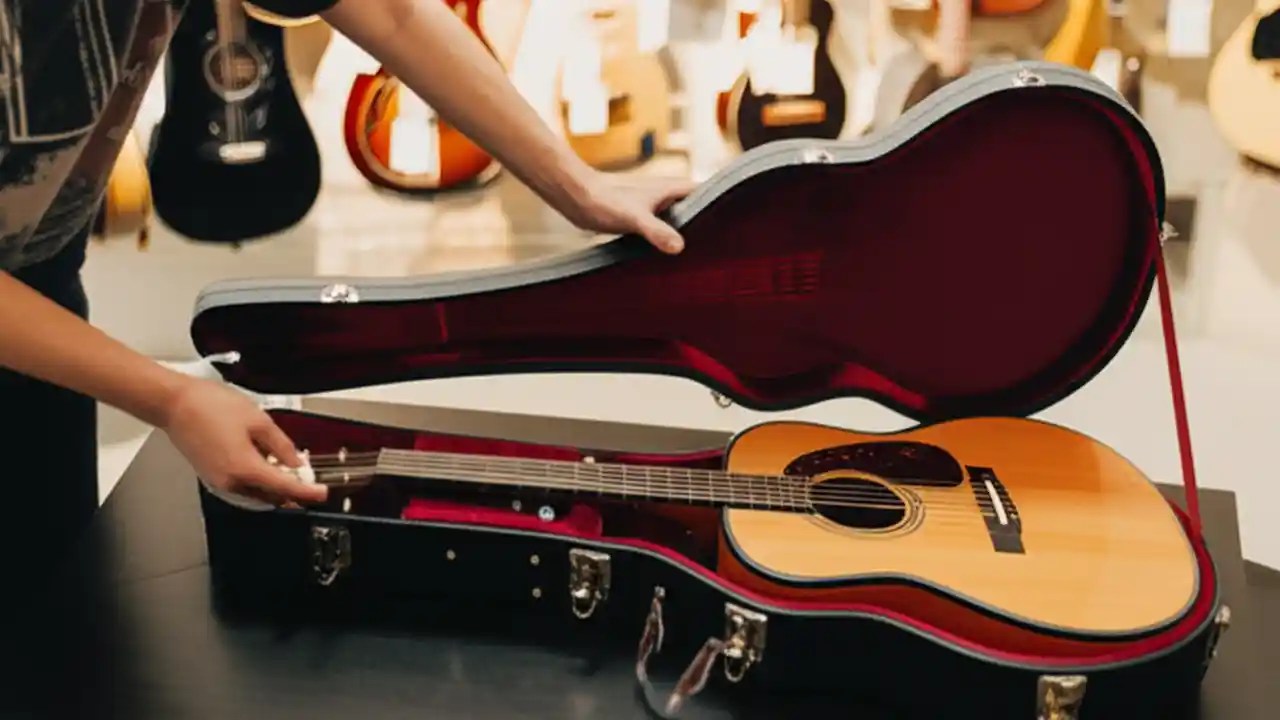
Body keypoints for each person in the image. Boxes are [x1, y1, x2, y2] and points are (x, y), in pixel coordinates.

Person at [0, 0, 694, 589]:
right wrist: (174, 398)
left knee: (58, 614)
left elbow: (389, 14)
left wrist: (579, 187)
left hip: (45, 293)